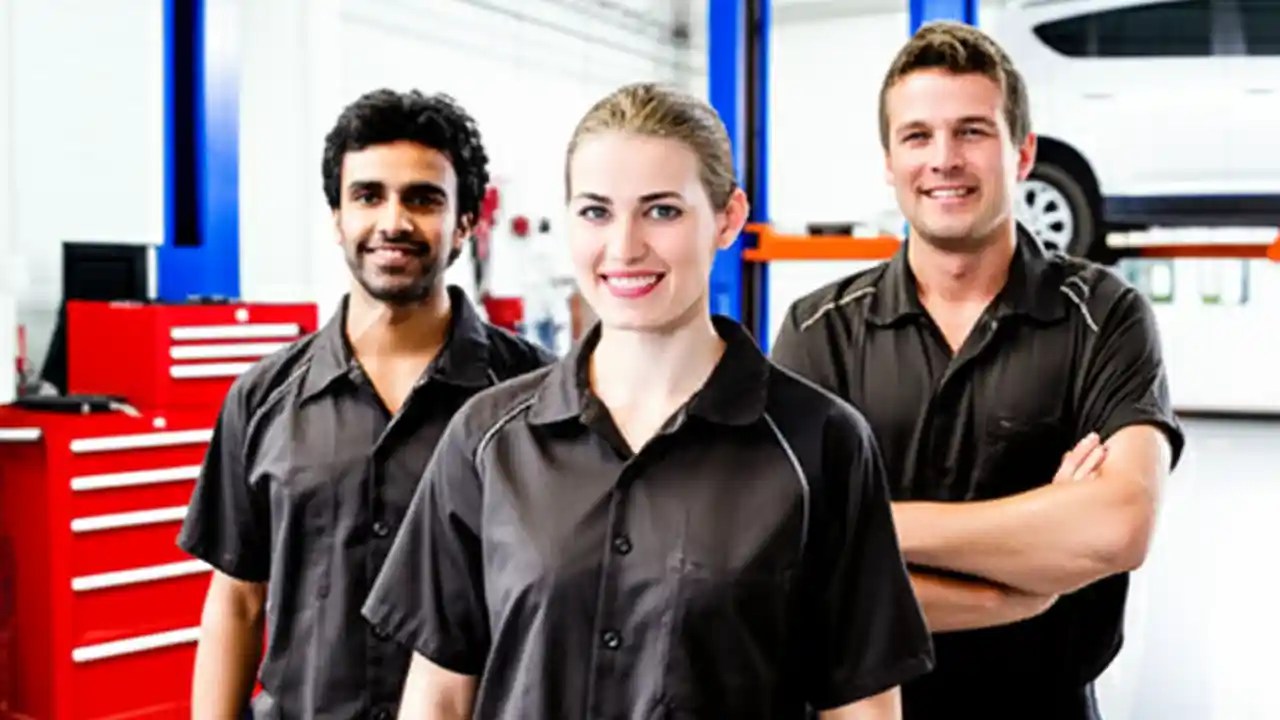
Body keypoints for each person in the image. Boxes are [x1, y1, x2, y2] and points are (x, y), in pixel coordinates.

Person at [361, 82, 935, 719]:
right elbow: (438, 697)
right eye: (596, 212)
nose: (625, 246)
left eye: (662, 211)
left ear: (728, 217)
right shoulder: (487, 442)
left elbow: (863, 707)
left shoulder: (820, 445)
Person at [770, 21, 1186, 720]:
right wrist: (1020, 579)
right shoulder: (821, 330)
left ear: (1021, 153)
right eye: (917, 136)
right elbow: (792, 561)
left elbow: (1119, 526)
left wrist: (873, 526)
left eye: (972, 132)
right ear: (888, 159)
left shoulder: (1103, 315)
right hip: (862, 708)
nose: (944, 159)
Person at [177, 89, 555, 719]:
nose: (394, 221)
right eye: (368, 195)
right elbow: (237, 600)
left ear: (465, 224)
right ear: (336, 217)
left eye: (424, 198)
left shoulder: (534, 398)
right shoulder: (263, 397)